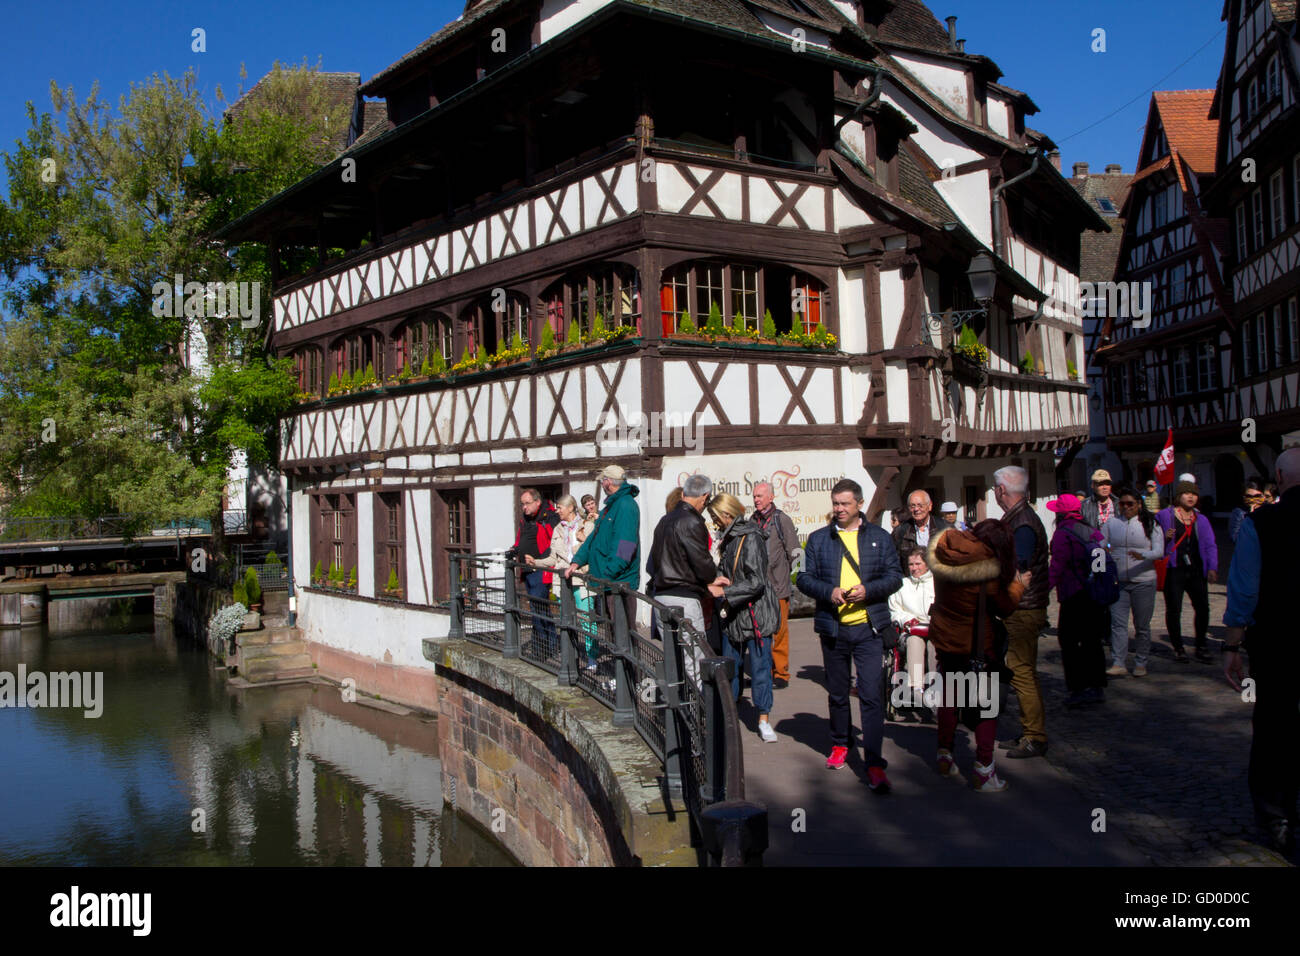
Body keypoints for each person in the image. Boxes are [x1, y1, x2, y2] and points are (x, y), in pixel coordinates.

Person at [796, 478, 902, 790]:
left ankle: (873, 761)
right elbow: (803, 578)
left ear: (858, 504)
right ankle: (840, 742)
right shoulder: (817, 540)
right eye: (836, 504)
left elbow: (895, 577)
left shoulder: (880, 538)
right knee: (838, 693)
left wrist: (868, 590)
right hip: (834, 628)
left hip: (868, 629)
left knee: (870, 695)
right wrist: (830, 592)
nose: (839, 509)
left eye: (845, 504)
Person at [1225, 447, 1300, 854]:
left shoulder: (1261, 522)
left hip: (1278, 642)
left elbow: (1245, 588)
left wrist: (1232, 644)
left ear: (1281, 480)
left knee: (1275, 728)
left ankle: (1278, 818)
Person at [927, 520, 1028, 791]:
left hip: (945, 637)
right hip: (977, 645)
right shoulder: (987, 569)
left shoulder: (944, 551)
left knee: (949, 698)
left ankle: (944, 754)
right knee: (985, 706)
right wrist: (1018, 585)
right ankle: (984, 770)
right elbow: (1004, 607)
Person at [992, 466, 1051, 759]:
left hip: (1024, 608)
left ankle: (1035, 736)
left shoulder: (1023, 523)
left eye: (995, 488)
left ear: (1001, 491)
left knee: (1021, 671)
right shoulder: (1019, 518)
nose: (994, 493)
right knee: (1023, 669)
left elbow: (1020, 565)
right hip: (1023, 606)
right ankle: (1031, 731)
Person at [711, 492, 780, 742]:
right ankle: (730, 716)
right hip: (735, 612)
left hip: (756, 614)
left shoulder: (749, 537)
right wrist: (721, 578)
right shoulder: (730, 538)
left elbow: (757, 581)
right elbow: (730, 570)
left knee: (761, 669)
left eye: (715, 517)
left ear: (726, 514)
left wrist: (725, 590)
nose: (714, 522)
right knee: (731, 666)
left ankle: (763, 719)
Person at [647, 474, 723, 684]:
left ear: (684, 493)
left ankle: (678, 710)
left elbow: (651, 563)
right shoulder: (691, 520)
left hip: (661, 597)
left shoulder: (665, 520)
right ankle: (699, 714)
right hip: (684, 598)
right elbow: (702, 563)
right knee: (695, 661)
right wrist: (712, 578)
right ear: (704, 496)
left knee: (674, 660)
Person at [1047, 493, 1108, 706]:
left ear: (1061, 513)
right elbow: (1101, 563)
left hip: (1073, 595)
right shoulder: (1092, 531)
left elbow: (1057, 566)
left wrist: (1043, 588)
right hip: (1094, 594)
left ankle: (1078, 688)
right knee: (1092, 641)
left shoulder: (1063, 534)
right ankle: (1097, 686)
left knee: (1069, 642)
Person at [568, 465, 641, 633]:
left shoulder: (625, 505)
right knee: (615, 634)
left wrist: (608, 573)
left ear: (608, 482)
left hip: (618, 582)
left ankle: (625, 660)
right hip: (609, 581)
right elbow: (594, 538)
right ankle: (619, 660)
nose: (601, 484)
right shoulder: (612, 506)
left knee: (623, 635)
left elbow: (626, 545)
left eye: (602, 480)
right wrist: (577, 561)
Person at [527, 495, 597, 669]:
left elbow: (592, 550)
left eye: (560, 508)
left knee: (587, 620)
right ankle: (570, 657)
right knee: (566, 621)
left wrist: (580, 542)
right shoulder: (558, 529)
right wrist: (535, 562)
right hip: (562, 582)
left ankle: (592, 657)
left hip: (581, 579)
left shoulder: (587, 526)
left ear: (571, 508)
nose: (556, 511)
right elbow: (553, 558)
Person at [1102, 485, 1164, 677]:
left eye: (1130, 503)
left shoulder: (1150, 524)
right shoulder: (1112, 524)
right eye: (1122, 504)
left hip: (1143, 580)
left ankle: (1140, 662)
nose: (1126, 507)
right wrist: (1105, 556)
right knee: (1118, 624)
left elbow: (1159, 551)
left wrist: (1142, 555)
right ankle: (1119, 661)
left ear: (1138, 504)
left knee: (1142, 626)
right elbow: (1100, 544)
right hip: (1119, 581)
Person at [1155, 480, 1218, 664]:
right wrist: (1164, 538)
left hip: (1196, 569)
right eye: (1186, 493)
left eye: (1194, 494)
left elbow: (1210, 545)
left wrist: (1212, 567)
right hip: (1174, 569)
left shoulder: (1201, 519)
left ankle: (1201, 645)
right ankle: (1178, 647)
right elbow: (1153, 539)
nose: (1191, 496)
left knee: (1202, 607)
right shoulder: (1165, 516)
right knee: (1174, 609)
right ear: (1178, 496)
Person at [752, 481, 800, 689]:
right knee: (760, 631)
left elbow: (796, 552)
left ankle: (781, 673)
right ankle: (764, 670)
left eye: (760, 496)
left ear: (771, 497)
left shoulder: (782, 520)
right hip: (758, 589)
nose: (756, 500)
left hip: (779, 586)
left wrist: (797, 577)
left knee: (779, 632)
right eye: (754, 496)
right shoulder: (752, 521)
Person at [887, 548, 936, 721]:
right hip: (911, 631)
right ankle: (916, 689)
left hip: (935, 630)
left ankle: (935, 689)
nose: (914, 568)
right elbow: (894, 611)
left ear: (927, 564)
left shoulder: (937, 583)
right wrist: (908, 620)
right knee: (915, 641)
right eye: (911, 564)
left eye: (918, 564)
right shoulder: (902, 585)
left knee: (934, 646)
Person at [511, 488, 560, 649]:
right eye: (522, 504)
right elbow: (521, 539)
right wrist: (515, 549)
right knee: (540, 608)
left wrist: (544, 560)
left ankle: (542, 646)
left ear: (537, 502)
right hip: (527, 570)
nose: (524, 507)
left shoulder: (549, 517)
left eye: (527, 503)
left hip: (541, 569)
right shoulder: (526, 519)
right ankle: (549, 643)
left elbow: (554, 542)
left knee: (537, 608)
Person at [892, 490, 945, 573]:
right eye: (912, 506)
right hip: (911, 581)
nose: (916, 509)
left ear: (930, 506)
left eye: (920, 505)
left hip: (939, 581)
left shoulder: (944, 528)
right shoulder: (900, 531)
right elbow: (894, 561)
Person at [1229, 479, 1265, 544]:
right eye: (1248, 496)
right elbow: (1234, 537)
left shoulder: (1268, 510)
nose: (1252, 500)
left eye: (1257, 496)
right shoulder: (1239, 512)